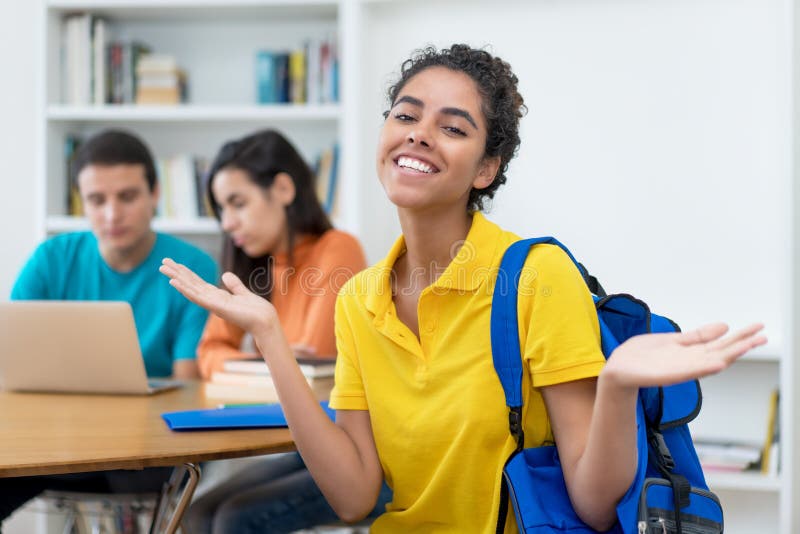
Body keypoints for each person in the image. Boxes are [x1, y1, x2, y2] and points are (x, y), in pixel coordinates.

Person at [160, 44, 766, 533]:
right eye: (405, 114)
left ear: (485, 169)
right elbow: (352, 497)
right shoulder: (358, 299)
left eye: (452, 127)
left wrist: (615, 385)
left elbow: (592, 505)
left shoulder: (536, 276)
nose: (418, 134)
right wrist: (267, 335)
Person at [0, 129, 217, 525]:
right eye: (97, 200)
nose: (112, 214)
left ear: (154, 194)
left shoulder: (194, 269)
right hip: (51, 448)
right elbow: (11, 368)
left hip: (148, 454)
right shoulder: (50, 259)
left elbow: (191, 387)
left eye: (127, 197)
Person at [183, 129, 385, 534]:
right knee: (196, 513)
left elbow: (315, 363)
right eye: (221, 209)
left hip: (364, 452)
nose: (227, 223)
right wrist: (267, 358)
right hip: (307, 445)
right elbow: (207, 354)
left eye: (237, 203)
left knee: (234, 519)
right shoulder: (254, 265)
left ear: (283, 188)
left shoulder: (337, 248)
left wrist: (262, 359)